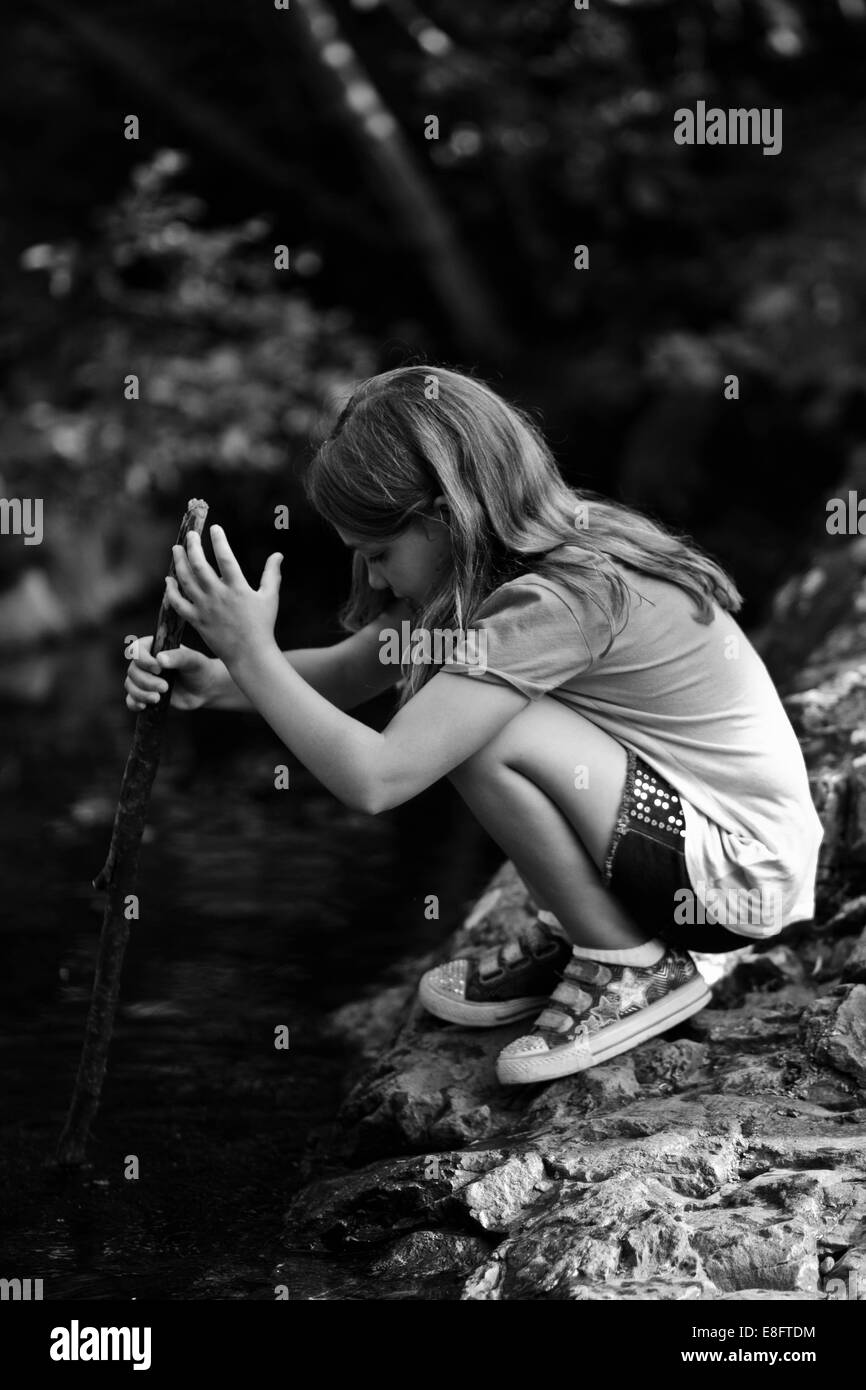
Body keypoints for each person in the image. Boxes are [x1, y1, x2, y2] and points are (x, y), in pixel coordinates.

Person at [124, 365, 823, 1086]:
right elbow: (349, 671)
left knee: (477, 731)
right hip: (701, 849)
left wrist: (254, 651)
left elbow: (379, 777)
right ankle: (589, 934)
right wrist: (223, 681)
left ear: (441, 514)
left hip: (736, 875)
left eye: (378, 556)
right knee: (458, 706)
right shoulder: (506, 556)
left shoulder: (559, 597)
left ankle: (630, 966)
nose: (380, 583)